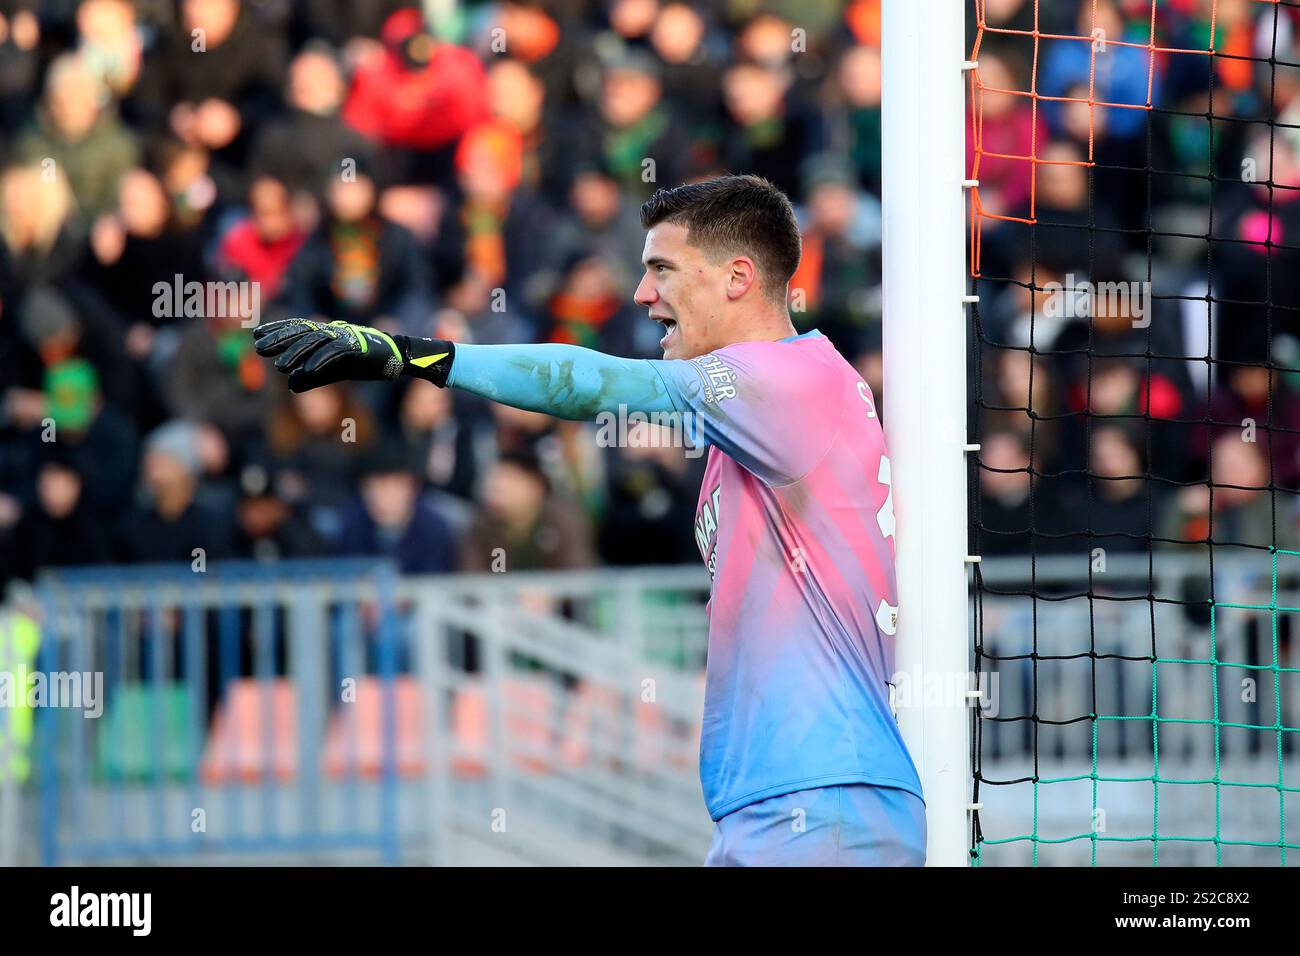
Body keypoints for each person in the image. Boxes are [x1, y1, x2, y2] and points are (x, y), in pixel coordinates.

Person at [252, 173, 925, 866]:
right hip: (784, 801)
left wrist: (414, 355)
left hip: (822, 798)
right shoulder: (769, 408)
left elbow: (594, 384)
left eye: (662, 269)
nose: (641, 294)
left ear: (737, 278)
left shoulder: (787, 382)